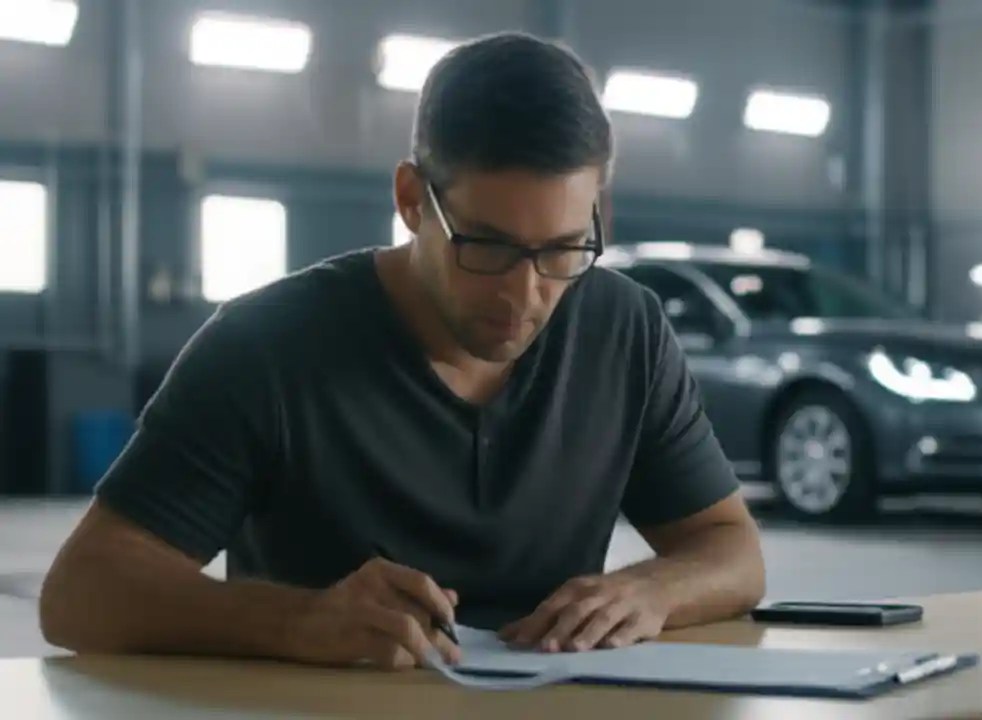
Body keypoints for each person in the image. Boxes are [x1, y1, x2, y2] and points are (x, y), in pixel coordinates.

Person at [39, 32, 765, 672]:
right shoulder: (269, 346)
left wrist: (651, 589)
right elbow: (82, 592)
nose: (526, 294)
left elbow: (730, 549)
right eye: (488, 247)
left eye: (563, 250)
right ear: (412, 198)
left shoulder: (624, 331)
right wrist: (297, 622)